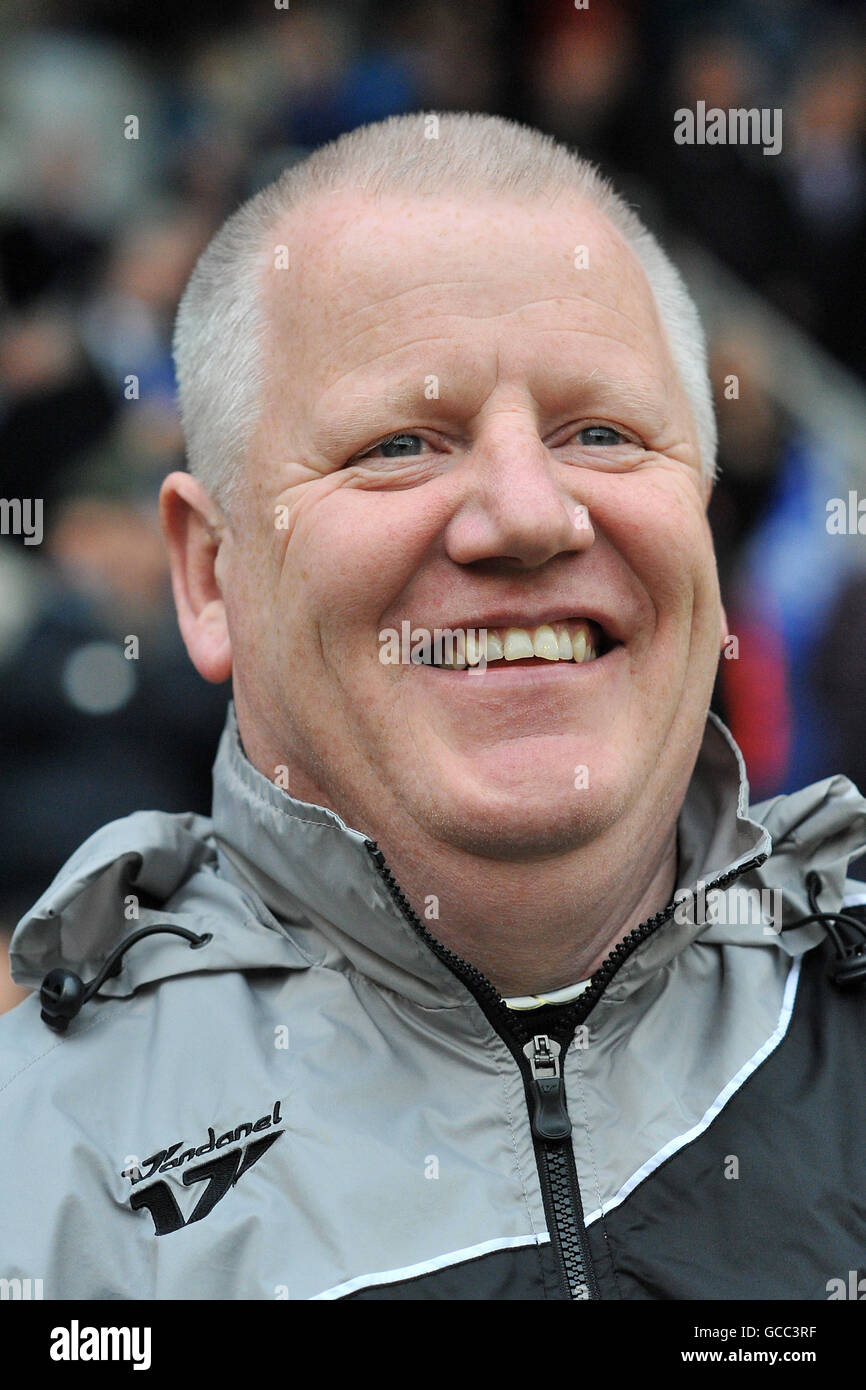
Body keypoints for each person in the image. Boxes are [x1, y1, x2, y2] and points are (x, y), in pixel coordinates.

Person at [1, 112, 864, 1301]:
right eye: (401, 441)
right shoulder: (37, 1199)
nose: (526, 511)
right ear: (210, 577)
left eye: (601, 433)